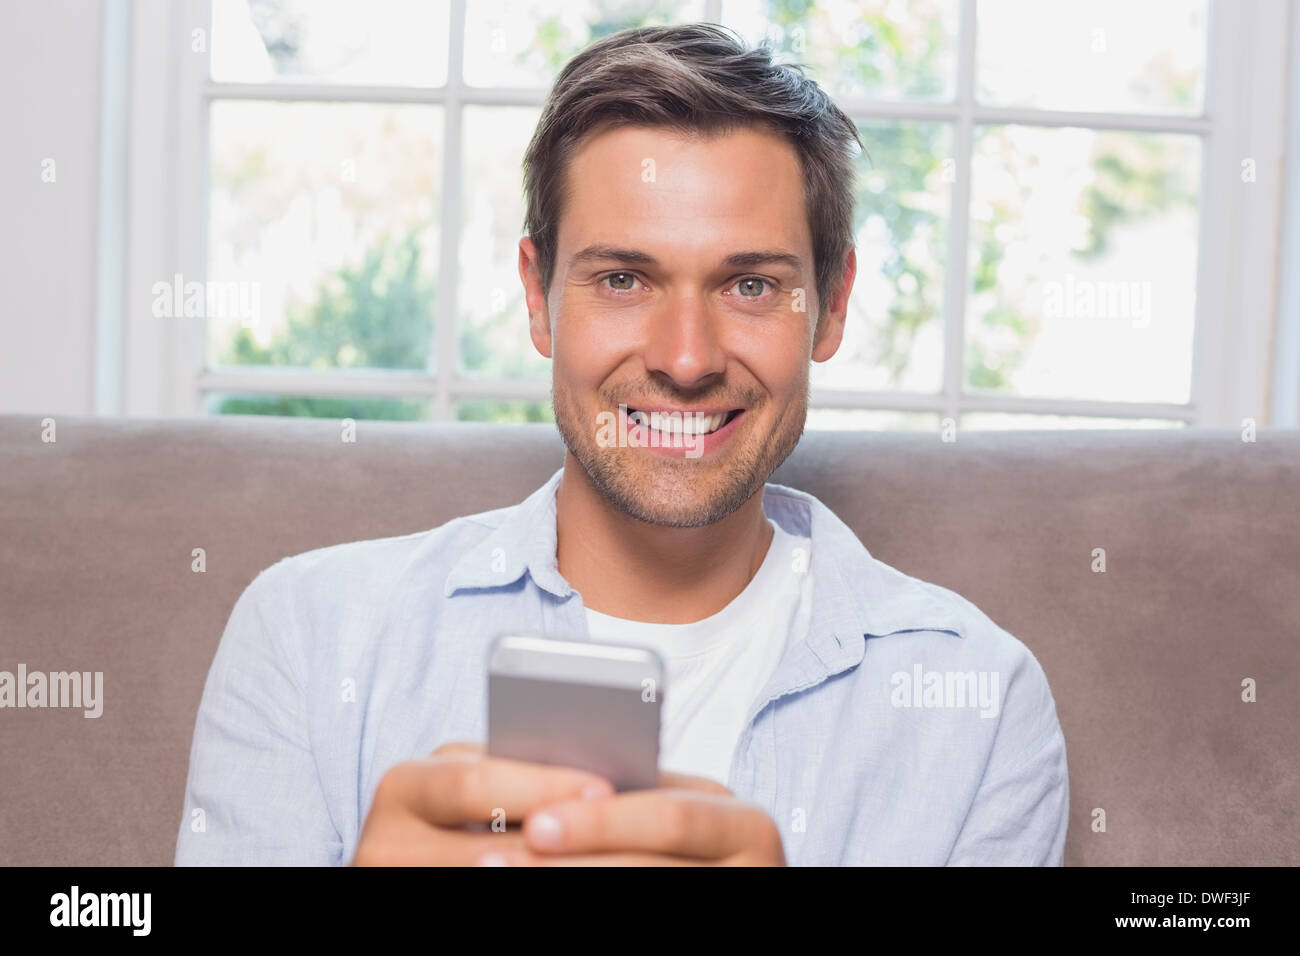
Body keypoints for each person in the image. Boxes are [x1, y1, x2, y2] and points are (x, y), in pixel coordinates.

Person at [175, 23, 1068, 867]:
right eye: (623, 278)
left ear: (830, 308)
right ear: (539, 299)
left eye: (751, 284)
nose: (686, 359)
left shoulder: (981, 706)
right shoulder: (309, 637)